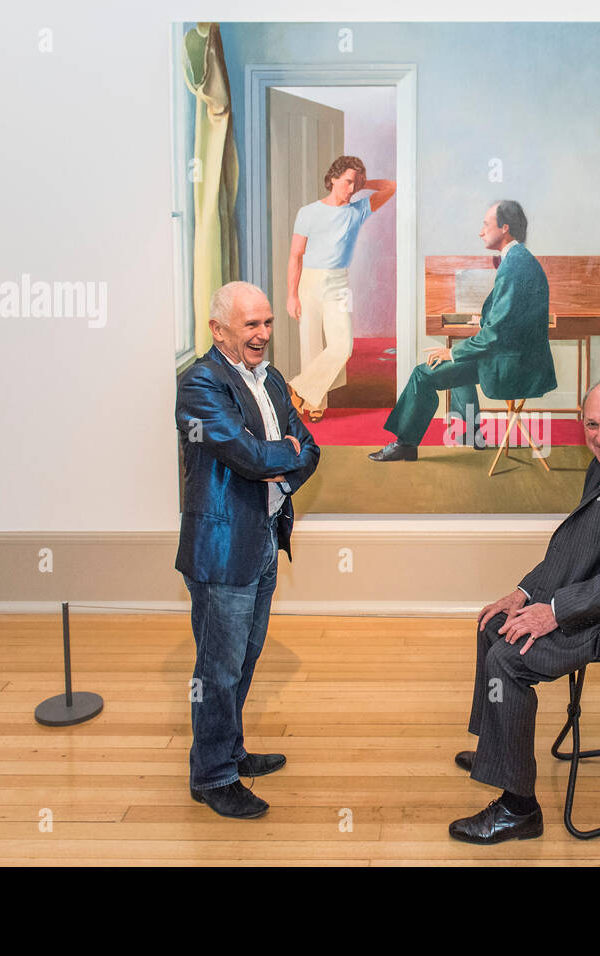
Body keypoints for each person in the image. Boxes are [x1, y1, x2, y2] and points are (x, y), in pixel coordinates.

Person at [449, 380, 600, 844]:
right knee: (494, 627)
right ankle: (496, 752)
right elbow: (577, 549)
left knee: (509, 658)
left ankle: (519, 809)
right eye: (593, 424)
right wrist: (523, 594)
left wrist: (554, 613)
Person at [175, 281, 321, 819]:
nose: (262, 335)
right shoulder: (199, 385)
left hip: (262, 538)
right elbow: (249, 456)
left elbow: (310, 449)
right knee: (217, 669)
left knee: (243, 659)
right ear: (219, 331)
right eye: (250, 326)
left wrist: (282, 454)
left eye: (266, 323)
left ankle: (230, 753)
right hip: (221, 551)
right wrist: (280, 453)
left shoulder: (272, 379)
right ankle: (212, 776)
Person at [369, 200, 556, 461]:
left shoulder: (515, 265)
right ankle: (473, 431)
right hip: (515, 358)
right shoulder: (518, 259)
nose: (481, 231)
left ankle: (406, 444)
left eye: (485, 224)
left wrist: (452, 353)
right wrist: (483, 320)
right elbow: (509, 319)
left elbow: (496, 334)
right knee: (458, 364)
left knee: (423, 373)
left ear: (504, 227)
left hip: (513, 367)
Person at [286, 156, 396, 422]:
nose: (351, 189)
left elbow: (391, 187)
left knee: (341, 346)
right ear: (332, 178)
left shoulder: (359, 210)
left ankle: (297, 389)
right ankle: (314, 404)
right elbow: (296, 255)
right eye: (347, 181)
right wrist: (291, 294)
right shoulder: (308, 212)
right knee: (310, 345)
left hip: (338, 284)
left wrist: (361, 181)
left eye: (355, 184)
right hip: (308, 282)